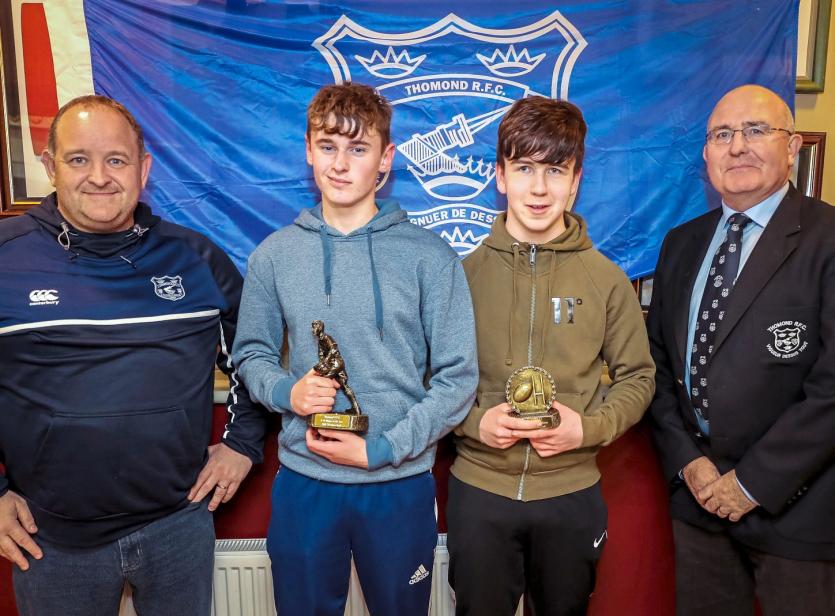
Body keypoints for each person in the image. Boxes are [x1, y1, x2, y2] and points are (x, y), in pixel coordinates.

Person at [0, 95, 267, 616]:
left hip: (178, 525)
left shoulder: (196, 257)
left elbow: (253, 355)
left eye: (116, 160)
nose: (99, 176)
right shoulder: (6, 256)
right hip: (51, 539)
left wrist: (243, 443)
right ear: (49, 164)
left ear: (143, 169)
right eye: (79, 159)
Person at [232, 82, 478, 616]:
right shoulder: (274, 256)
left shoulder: (431, 259)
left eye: (358, 148)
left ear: (385, 159)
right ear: (308, 150)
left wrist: (386, 447)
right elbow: (249, 353)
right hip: (306, 482)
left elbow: (458, 378)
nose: (340, 164)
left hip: (397, 482)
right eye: (327, 146)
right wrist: (287, 391)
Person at [446, 96, 655, 615]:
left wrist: (587, 428)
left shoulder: (605, 279)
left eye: (554, 170)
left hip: (571, 494)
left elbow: (639, 377)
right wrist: (473, 425)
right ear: (499, 176)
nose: (539, 189)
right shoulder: (460, 277)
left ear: (576, 179)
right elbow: (435, 378)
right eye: (524, 168)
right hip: (480, 492)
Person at [647, 84, 835, 615]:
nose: (738, 147)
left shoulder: (828, 239)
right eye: (722, 134)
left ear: (792, 145)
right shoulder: (681, 242)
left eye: (757, 130)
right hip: (700, 502)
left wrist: (750, 484)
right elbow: (658, 367)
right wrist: (689, 463)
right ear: (706, 153)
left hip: (799, 508)